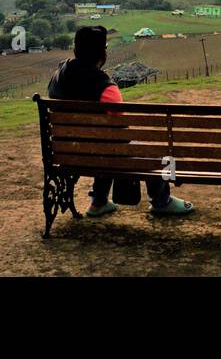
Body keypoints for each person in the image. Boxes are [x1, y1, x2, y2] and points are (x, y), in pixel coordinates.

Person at [47, 25, 194, 218]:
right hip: (106, 151)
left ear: (76, 49)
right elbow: (121, 131)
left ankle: (98, 202)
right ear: (102, 53)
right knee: (157, 152)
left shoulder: (58, 78)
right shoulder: (105, 87)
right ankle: (161, 201)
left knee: (105, 145)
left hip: (66, 152)